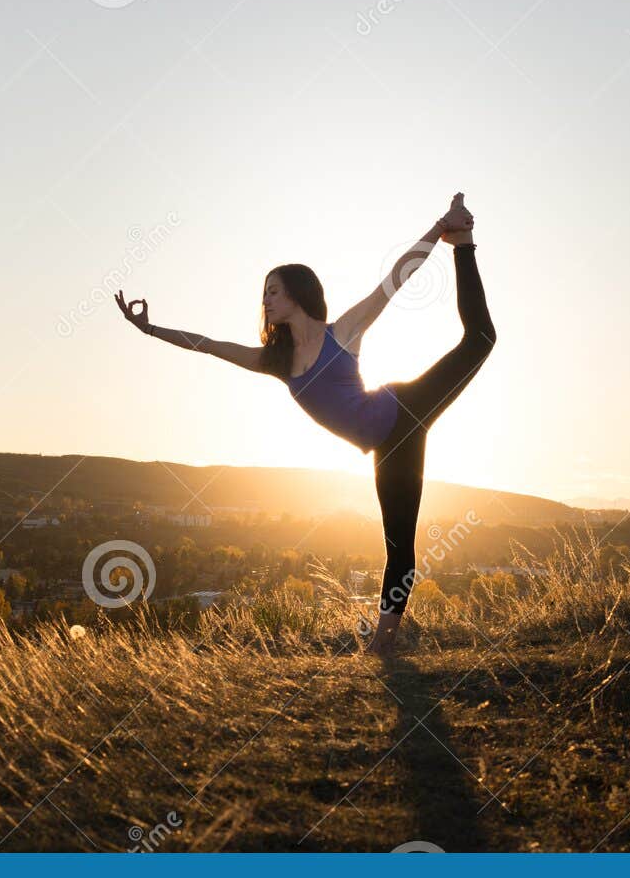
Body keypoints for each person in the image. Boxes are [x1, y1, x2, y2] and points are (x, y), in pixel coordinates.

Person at [115, 192, 494, 655]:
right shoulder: (276, 362)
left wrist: (442, 228)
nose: (267, 300)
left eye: (273, 291)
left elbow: (397, 278)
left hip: (403, 408)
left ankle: (466, 242)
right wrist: (151, 329)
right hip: (387, 450)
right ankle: (384, 645)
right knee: (399, 544)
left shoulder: (343, 332)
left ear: (296, 293)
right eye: (265, 294)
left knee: (480, 339)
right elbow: (209, 344)